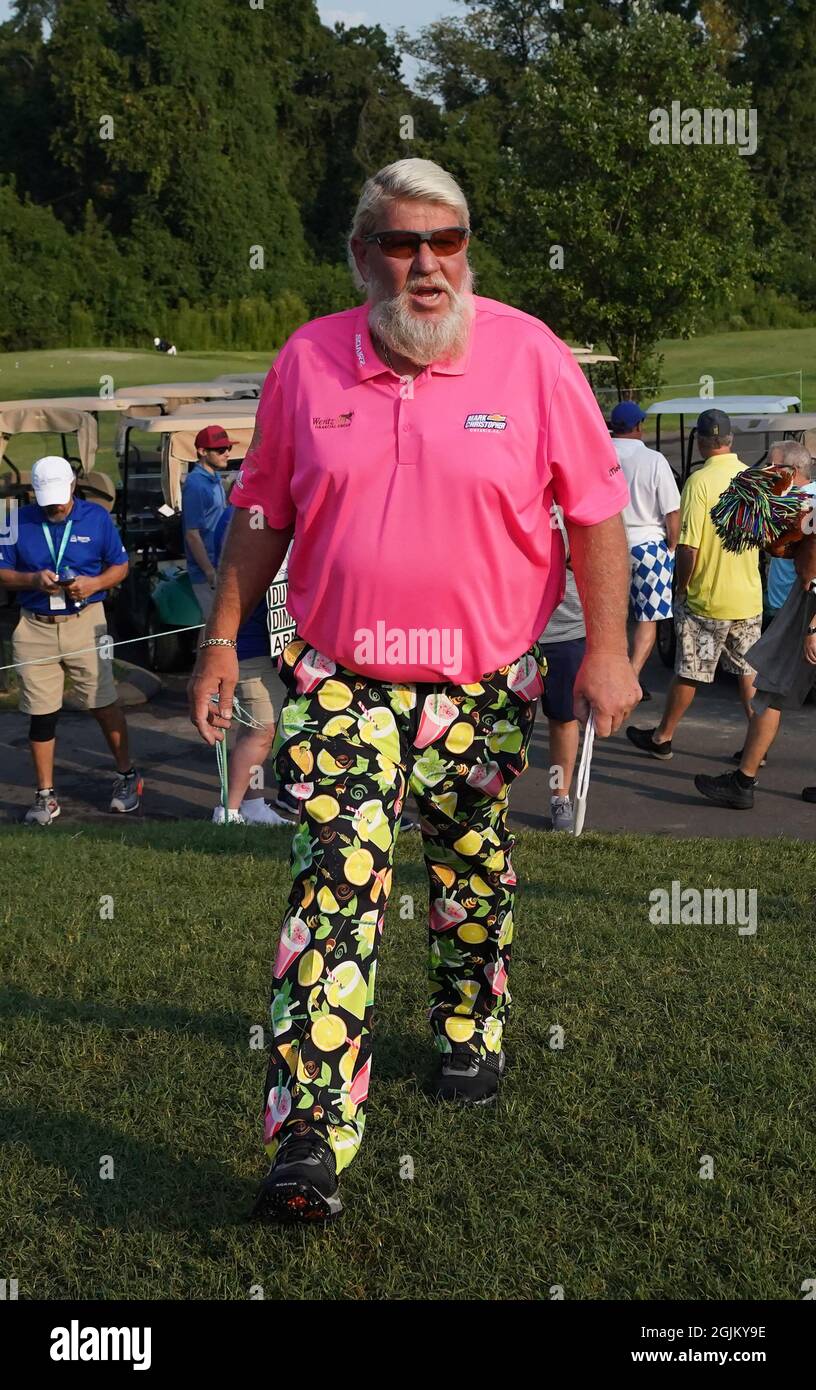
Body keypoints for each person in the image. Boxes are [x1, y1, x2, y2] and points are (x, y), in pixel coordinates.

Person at [189, 157, 638, 1223]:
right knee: (333, 887)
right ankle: (309, 1132)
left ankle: (467, 1027)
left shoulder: (530, 357)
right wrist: (221, 639)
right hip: (342, 680)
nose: (427, 263)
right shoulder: (308, 361)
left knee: (470, 867)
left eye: (447, 241)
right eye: (401, 242)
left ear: (466, 249)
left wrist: (611, 648)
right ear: (361, 255)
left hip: (483, 681)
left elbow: (596, 514)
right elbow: (261, 510)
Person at [0, 455, 142, 824]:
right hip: (35, 625)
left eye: (61, 497)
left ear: (73, 487)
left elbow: (120, 565)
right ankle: (45, 795)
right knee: (41, 713)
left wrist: (94, 583)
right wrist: (32, 580)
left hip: (85, 619)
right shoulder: (15, 520)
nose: (56, 506)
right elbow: (2, 571)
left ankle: (127, 775)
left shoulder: (96, 518)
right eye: (48, 499)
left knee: (103, 701)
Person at [627, 409, 761, 760]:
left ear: (702, 443)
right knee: (748, 672)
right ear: (729, 440)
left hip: (707, 599)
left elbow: (688, 548)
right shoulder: (752, 479)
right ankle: (757, 745)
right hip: (747, 595)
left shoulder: (699, 482)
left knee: (691, 672)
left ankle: (663, 736)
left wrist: (680, 587)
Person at [694, 439, 816, 809]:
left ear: (791, 474)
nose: (765, 473)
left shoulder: (806, 505)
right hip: (806, 598)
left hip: (810, 602)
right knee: (770, 689)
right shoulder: (802, 504)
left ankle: (743, 782)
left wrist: (813, 626)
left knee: (771, 688)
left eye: (773, 467)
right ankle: (743, 779)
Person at [209, 503, 293, 826]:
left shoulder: (256, 512)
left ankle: (253, 803)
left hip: (273, 640)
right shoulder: (246, 517)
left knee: (260, 730)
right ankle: (226, 811)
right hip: (249, 642)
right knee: (262, 730)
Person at [610, 400, 680, 700]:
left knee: (610, 617)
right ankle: (632, 678)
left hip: (610, 544)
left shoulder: (599, 453)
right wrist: (673, 544)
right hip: (649, 545)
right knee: (647, 618)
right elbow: (672, 512)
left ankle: (613, 675)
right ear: (638, 426)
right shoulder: (653, 460)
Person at [537, 530, 586, 832]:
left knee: (563, 720)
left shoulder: (578, 501)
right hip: (512, 630)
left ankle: (560, 797)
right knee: (505, 722)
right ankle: (492, 796)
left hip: (567, 631)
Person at [181, 426, 231, 620]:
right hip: (207, 572)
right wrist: (210, 572)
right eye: (220, 450)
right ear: (202, 452)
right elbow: (192, 534)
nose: (226, 453)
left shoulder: (214, 478)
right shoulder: (195, 485)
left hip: (219, 564)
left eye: (228, 448)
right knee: (215, 628)